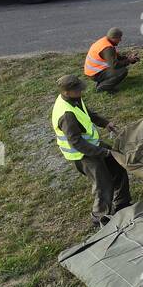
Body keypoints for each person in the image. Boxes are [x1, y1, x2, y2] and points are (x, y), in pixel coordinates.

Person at [51, 74, 131, 227]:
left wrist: (105, 123)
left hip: (93, 145)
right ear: (66, 92)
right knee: (103, 184)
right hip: (83, 154)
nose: (81, 92)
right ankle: (99, 217)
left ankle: (122, 203)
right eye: (77, 90)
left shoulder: (74, 99)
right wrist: (103, 152)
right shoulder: (66, 115)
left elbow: (88, 114)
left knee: (118, 165)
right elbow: (77, 143)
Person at [83, 27, 138, 93]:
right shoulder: (108, 49)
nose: (120, 40)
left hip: (93, 71)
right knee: (122, 71)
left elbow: (115, 57)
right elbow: (115, 65)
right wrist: (129, 61)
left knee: (121, 67)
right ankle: (103, 87)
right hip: (95, 73)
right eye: (119, 38)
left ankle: (102, 82)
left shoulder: (105, 41)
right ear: (113, 38)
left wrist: (127, 58)